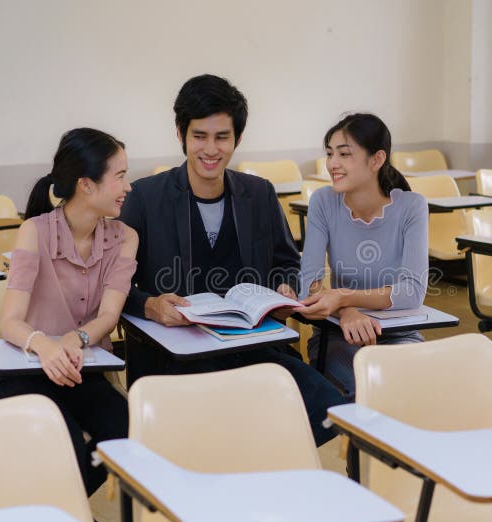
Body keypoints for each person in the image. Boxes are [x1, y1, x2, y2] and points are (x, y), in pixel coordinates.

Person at [119, 74, 343, 446]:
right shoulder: (143, 198)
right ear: (180, 134)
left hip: (252, 348)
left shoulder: (259, 194)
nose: (211, 149)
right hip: (175, 361)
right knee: (219, 441)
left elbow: (287, 263)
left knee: (331, 412)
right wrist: (151, 304)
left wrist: (286, 289)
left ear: (237, 138)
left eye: (222, 137)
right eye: (199, 136)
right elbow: (112, 286)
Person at [0, 127, 138, 497]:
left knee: (128, 434)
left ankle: (57, 511)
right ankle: (63, 516)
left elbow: (109, 315)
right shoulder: (33, 231)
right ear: (86, 185)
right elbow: (10, 321)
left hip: (83, 372)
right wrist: (46, 347)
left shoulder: (126, 238)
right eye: (120, 176)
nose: (129, 187)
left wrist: (76, 340)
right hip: (26, 372)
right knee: (68, 447)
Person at [298, 113, 429, 399]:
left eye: (344, 154)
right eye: (330, 154)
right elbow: (308, 282)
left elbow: (412, 293)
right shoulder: (323, 201)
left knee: (424, 390)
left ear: (376, 160)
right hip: (337, 335)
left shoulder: (412, 207)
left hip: (400, 334)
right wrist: (346, 311)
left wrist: (343, 297)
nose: (332, 164)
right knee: (373, 391)